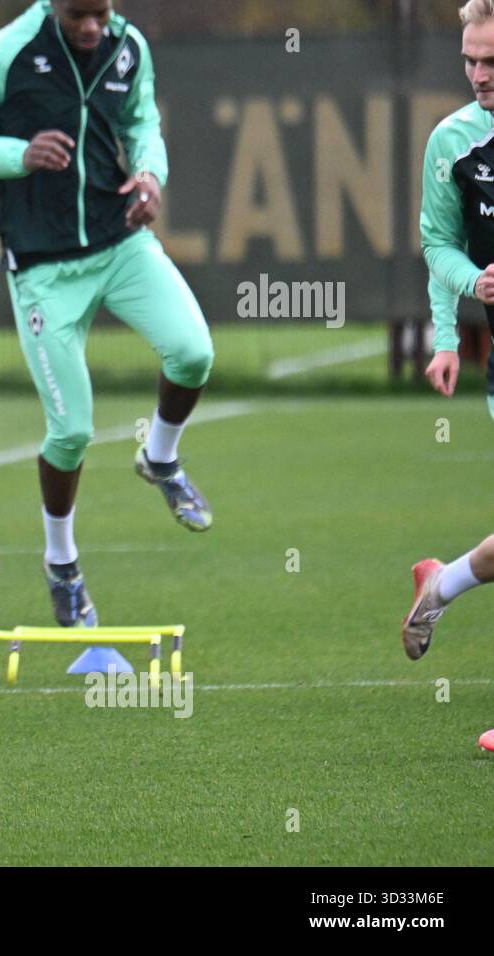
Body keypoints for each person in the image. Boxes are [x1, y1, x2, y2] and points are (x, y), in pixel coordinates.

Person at [0, 0, 214, 626]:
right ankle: (62, 563)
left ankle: (161, 457)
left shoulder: (129, 46)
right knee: (71, 431)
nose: (92, 27)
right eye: (77, 14)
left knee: (194, 350)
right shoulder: (5, 52)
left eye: (101, 12)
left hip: (122, 245)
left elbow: (143, 124)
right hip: (43, 269)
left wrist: (149, 175)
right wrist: (19, 153)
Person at [409, 0, 494, 753]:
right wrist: (462, 305)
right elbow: (438, 243)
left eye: (491, 61)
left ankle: (442, 585)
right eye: (470, 59)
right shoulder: (454, 141)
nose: (478, 73)